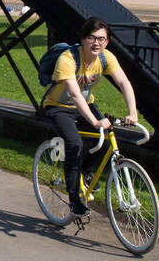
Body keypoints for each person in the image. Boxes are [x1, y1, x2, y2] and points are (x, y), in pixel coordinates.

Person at [40, 16, 140, 218]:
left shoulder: (106, 58)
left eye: (102, 39)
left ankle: (85, 172)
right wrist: (94, 121)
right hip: (58, 106)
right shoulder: (67, 59)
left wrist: (133, 111)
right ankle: (74, 200)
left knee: (104, 138)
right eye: (92, 38)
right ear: (83, 38)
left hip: (85, 105)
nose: (96, 43)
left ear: (107, 42)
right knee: (75, 143)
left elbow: (124, 82)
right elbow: (75, 95)